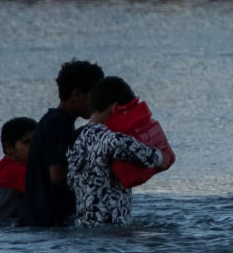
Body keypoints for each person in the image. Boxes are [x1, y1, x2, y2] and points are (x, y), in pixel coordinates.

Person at [65, 76, 170, 227]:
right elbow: (121, 143)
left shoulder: (76, 139)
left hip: (84, 225)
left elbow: (69, 181)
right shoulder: (108, 138)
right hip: (111, 229)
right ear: (114, 108)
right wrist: (159, 157)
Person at [18, 60, 103, 228]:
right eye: (96, 95)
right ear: (77, 95)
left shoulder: (53, 120)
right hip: (46, 222)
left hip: (37, 219)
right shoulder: (59, 123)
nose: (99, 102)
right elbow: (57, 175)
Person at [0, 117, 34, 225]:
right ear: (8, 148)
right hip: (6, 231)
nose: (35, 146)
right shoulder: (16, 172)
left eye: (38, 141)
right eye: (27, 143)